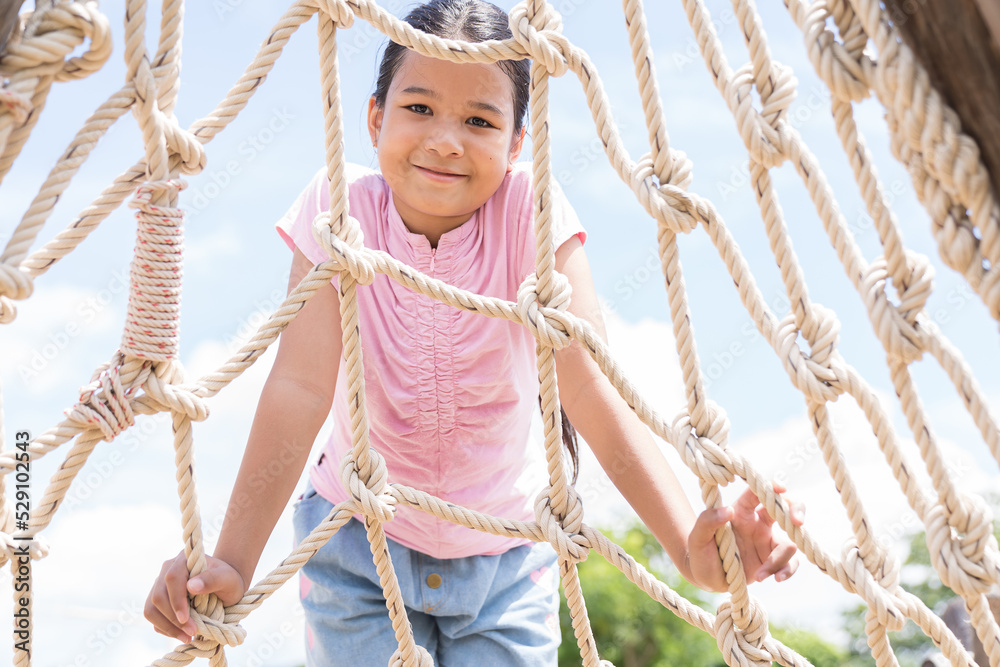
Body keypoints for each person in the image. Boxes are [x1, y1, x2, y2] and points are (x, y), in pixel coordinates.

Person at [144, 1, 804, 664]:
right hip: (357, 534)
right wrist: (232, 559)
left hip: (506, 560)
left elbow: (592, 389)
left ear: (517, 143)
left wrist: (688, 541)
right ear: (375, 118)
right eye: (419, 108)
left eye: (480, 120)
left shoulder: (530, 213)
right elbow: (298, 387)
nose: (446, 140)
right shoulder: (340, 210)